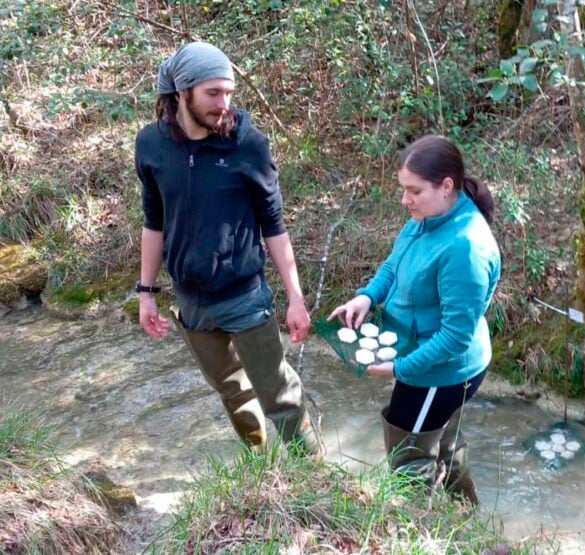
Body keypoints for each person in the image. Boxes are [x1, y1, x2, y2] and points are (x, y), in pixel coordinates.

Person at [134, 42, 319, 455]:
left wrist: (295, 297)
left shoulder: (247, 145)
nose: (224, 104)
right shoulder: (151, 144)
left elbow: (273, 226)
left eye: (229, 92)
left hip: (243, 296)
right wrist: (146, 293)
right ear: (183, 92)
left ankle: (316, 480)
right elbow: (154, 221)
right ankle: (261, 469)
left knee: (281, 399)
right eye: (213, 93)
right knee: (233, 393)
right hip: (191, 303)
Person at [328, 135, 501, 502]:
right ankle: (465, 517)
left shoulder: (465, 247)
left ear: (447, 186)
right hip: (420, 352)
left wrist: (401, 368)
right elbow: (394, 265)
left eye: (414, 190)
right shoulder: (428, 217)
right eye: (403, 189)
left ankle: (416, 529)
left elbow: (454, 337)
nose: (405, 200)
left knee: (408, 453)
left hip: (442, 370)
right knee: (445, 438)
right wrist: (367, 296)